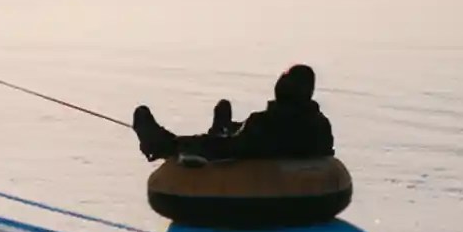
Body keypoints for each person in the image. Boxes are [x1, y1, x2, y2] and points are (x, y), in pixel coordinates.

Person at [132, 64, 335, 166]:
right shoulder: (319, 123)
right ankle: (226, 127)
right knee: (245, 132)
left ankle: (160, 143)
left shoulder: (264, 123)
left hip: (258, 160)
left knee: (214, 144)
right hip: (276, 148)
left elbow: (229, 150)